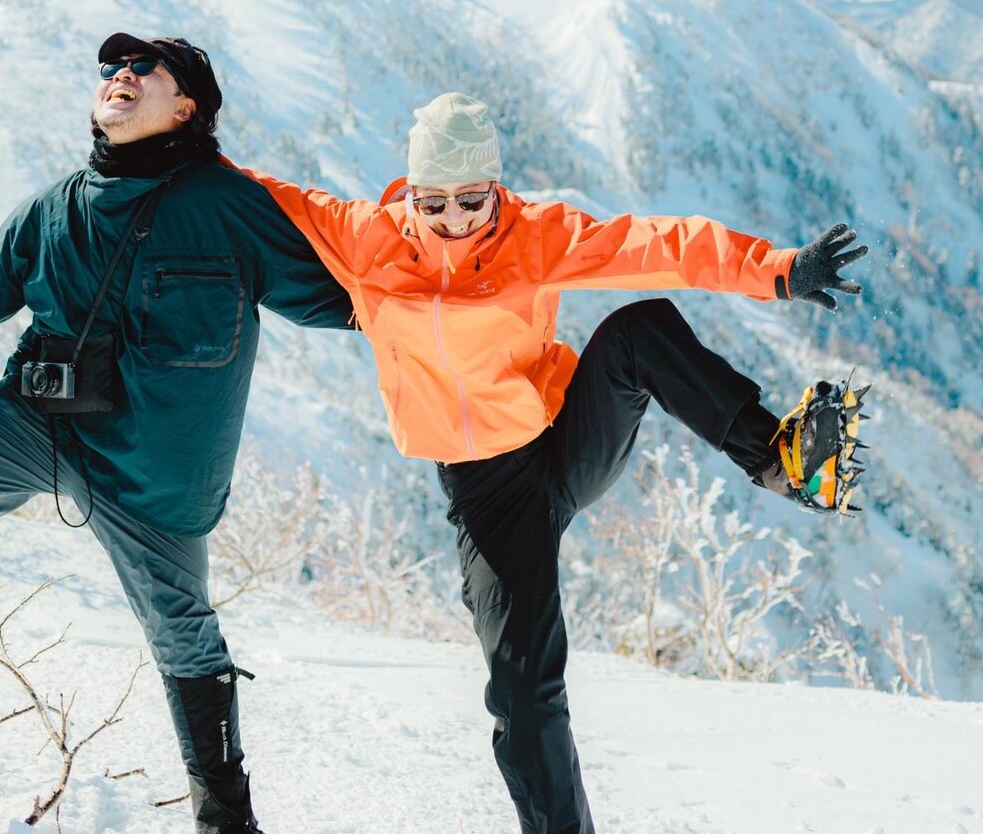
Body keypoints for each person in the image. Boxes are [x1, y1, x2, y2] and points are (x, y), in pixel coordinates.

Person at [241, 91, 870, 834]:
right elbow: (247, 193)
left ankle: (783, 463)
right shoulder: (364, 235)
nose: (450, 219)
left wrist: (777, 269)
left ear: (494, 189)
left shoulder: (534, 235)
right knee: (524, 695)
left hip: (563, 439)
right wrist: (168, 132)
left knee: (642, 329)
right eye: (432, 203)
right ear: (409, 193)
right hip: (486, 493)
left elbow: (657, 243)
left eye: (469, 201)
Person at [0, 33, 354, 834]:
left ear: (186, 106)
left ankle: (225, 818)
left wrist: (464, 296)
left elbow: (341, 298)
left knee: (185, 638)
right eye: (112, 67)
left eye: (144, 67)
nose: (121, 75)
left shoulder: (229, 203)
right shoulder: (55, 207)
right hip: (37, 420)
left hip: (152, 470)